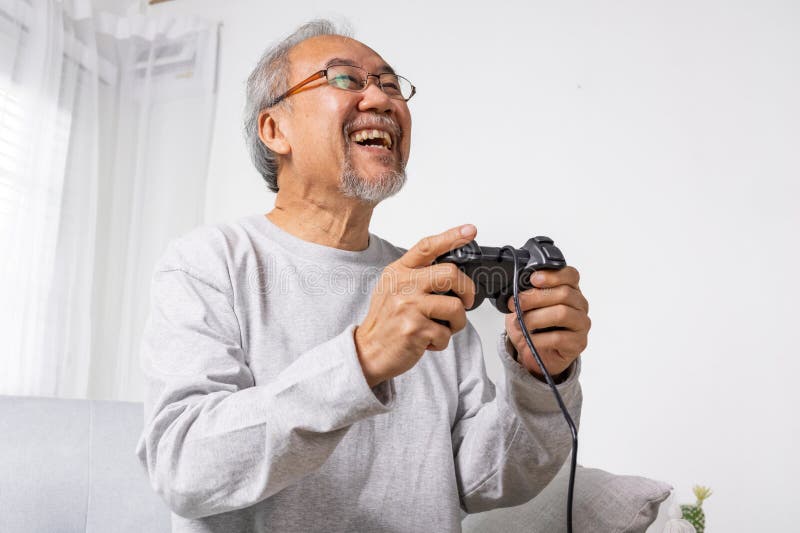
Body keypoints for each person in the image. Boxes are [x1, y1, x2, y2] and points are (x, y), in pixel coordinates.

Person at [136, 19, 591, 533]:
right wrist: (363, 358)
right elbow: (184, 469)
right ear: (274, 130)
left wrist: (538, 379)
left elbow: (477, 481)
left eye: (392, 85)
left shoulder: (426, 278)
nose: (381, 99)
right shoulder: (207, 263)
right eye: (346, 80)